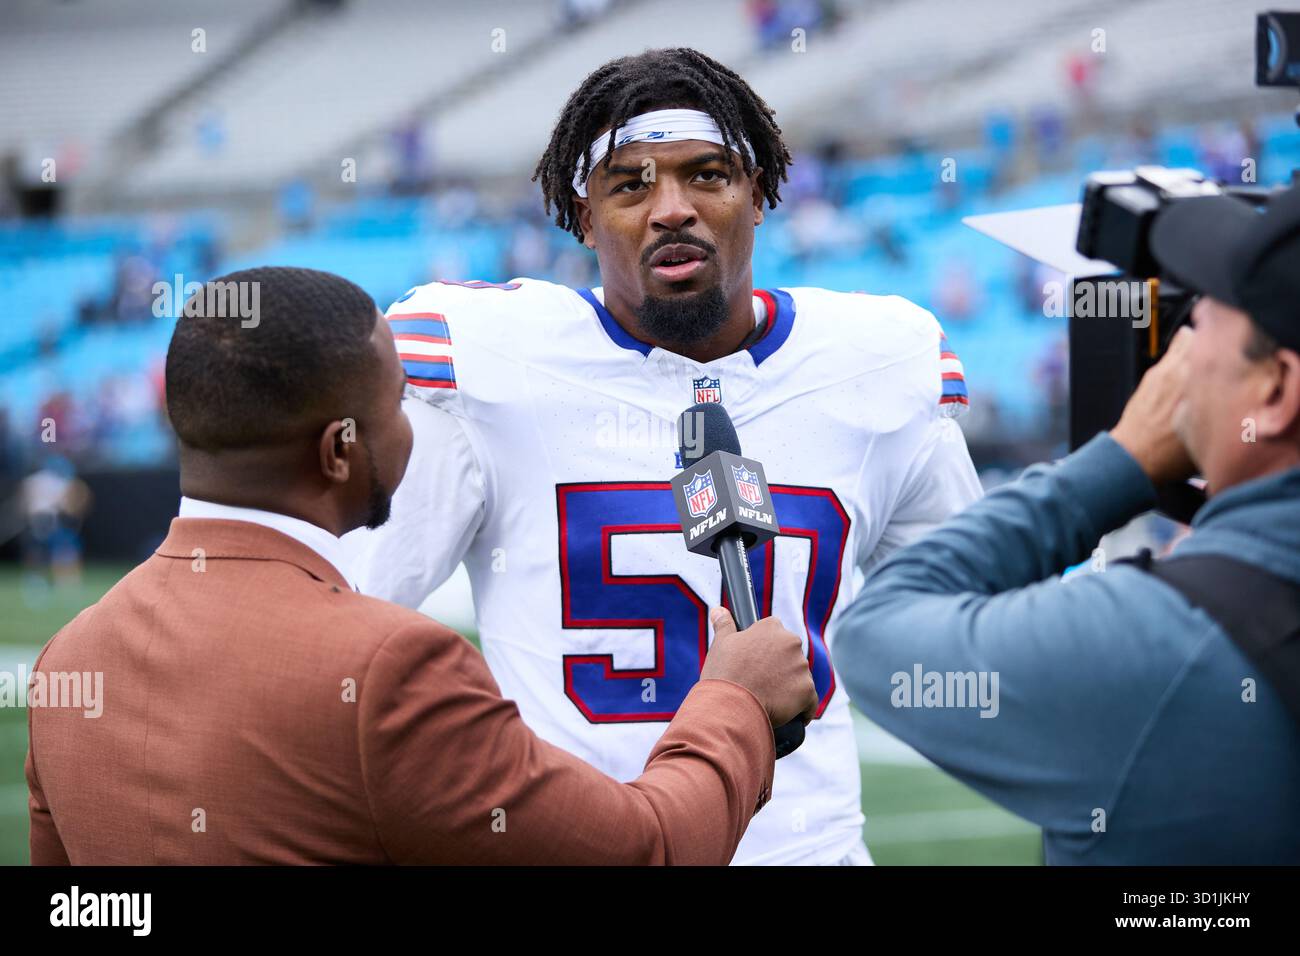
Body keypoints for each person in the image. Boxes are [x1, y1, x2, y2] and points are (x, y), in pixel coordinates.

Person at [344, 48, 983, 865]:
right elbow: (350, 610)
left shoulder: (880, 362)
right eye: (629, 184)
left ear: (760, 194)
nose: (670, 209)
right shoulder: (488, 361)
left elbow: (966, 620)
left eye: (708, 174)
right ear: (582, 214)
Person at [26, 266, 818, 865]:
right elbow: (644, 852)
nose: (412, 427)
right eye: (402, 402)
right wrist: (735, 701)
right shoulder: (390, 667)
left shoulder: (72, 657)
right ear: (341, 450)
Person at [833, 185, 1300, 863]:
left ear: (1277, 390)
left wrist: (1121, 461)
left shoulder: (1157, 644)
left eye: (1205, 313)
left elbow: (876, 633)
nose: (1184, 335)